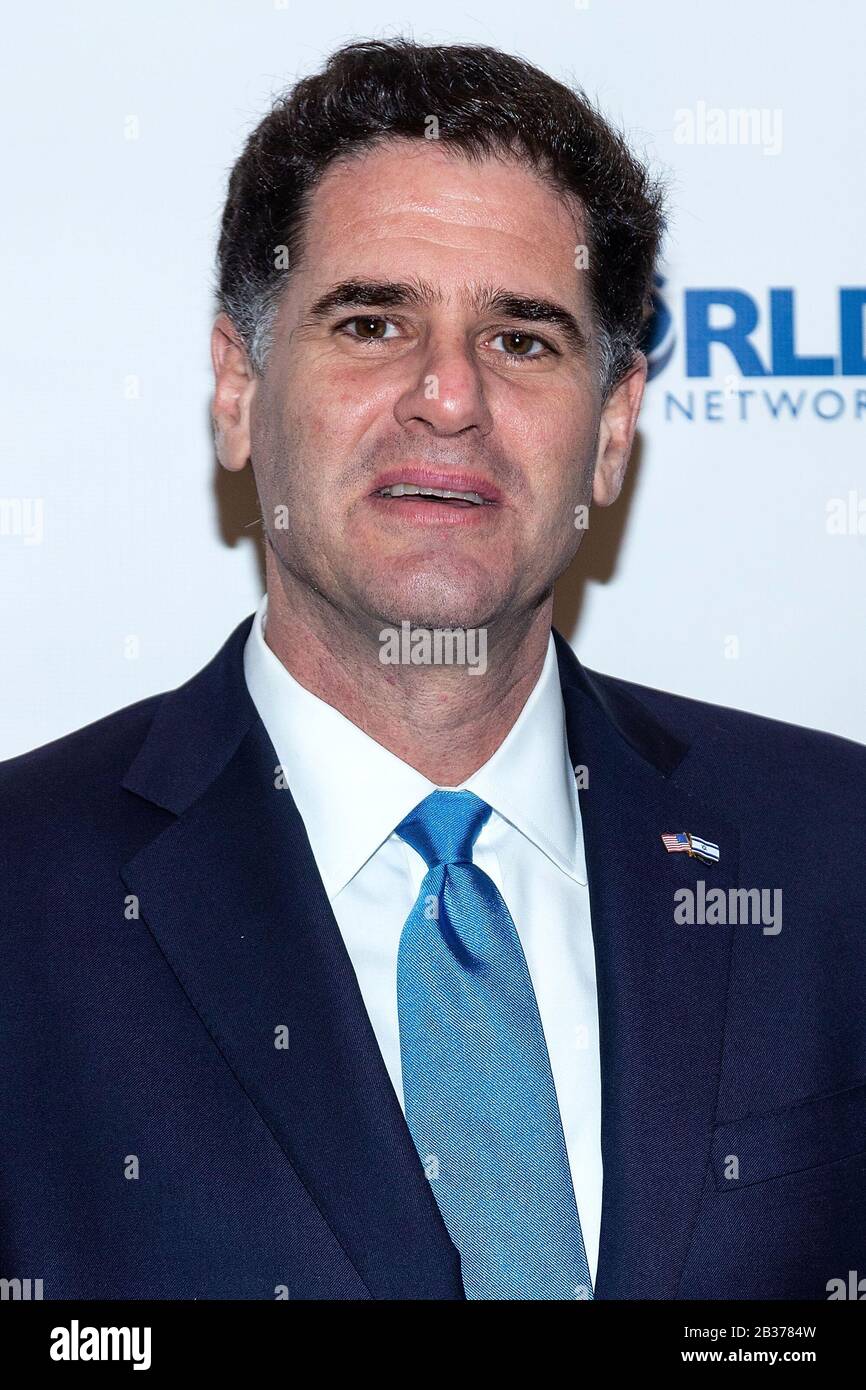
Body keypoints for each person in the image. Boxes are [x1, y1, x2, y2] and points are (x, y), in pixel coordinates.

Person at [2, 37, 864, 1301]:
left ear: (613, 426)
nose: (447, 396)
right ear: (238, 390)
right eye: (369, 321)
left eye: (522, 340)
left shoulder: (834, 853)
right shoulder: (23, 898)